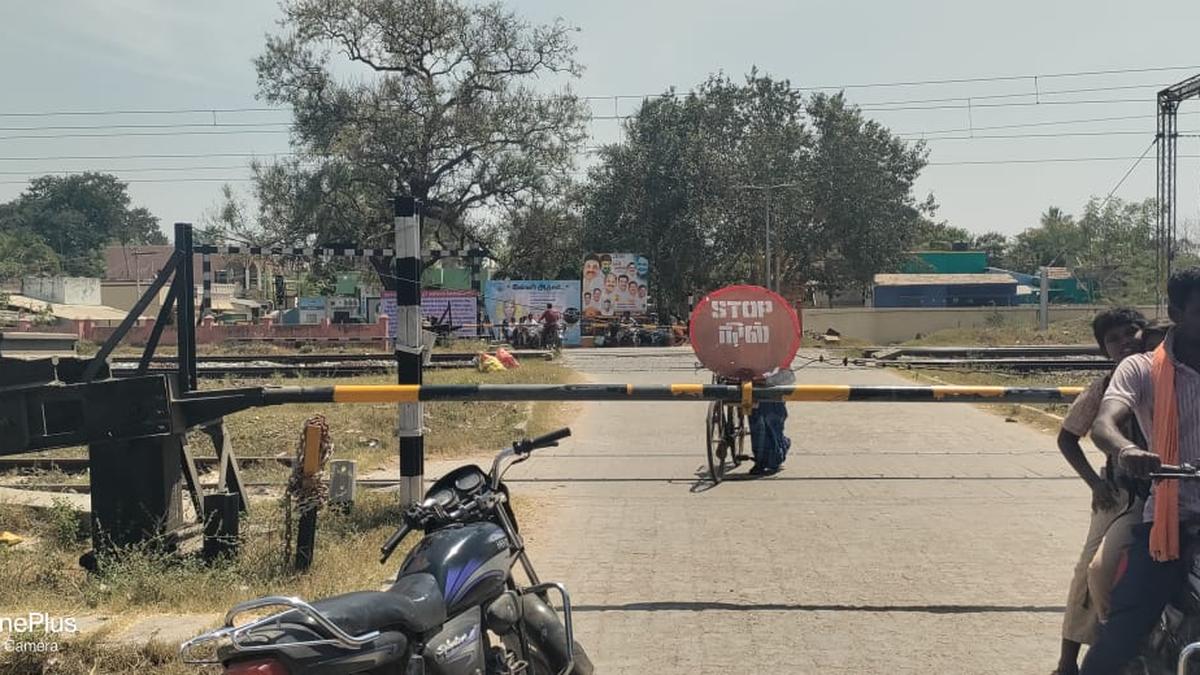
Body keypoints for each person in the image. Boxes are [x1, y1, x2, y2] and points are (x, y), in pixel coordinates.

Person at [1081, 269, 1200, 674]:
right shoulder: (1141, 368)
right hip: (1171, 520)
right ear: (1176, 313)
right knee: (1122, 633)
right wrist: (1128, 449)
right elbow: (1104, 424)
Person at [1052, 308, 1147, 675]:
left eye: (1131, 332)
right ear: (1103, 350)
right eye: (1113, 339)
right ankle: (1069, 662)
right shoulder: (1105, 387)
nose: (1125, 342)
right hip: (1122, 493)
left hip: (1171, 489)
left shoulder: (1167, 376)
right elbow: (1068, 437)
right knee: (1089, 573)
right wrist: (1095, 483)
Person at [749, 366, 796, 475]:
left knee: (771, 421)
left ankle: (776, 451)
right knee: (758, 423)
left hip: (774, 378)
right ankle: (761, 460)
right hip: (753, 377)